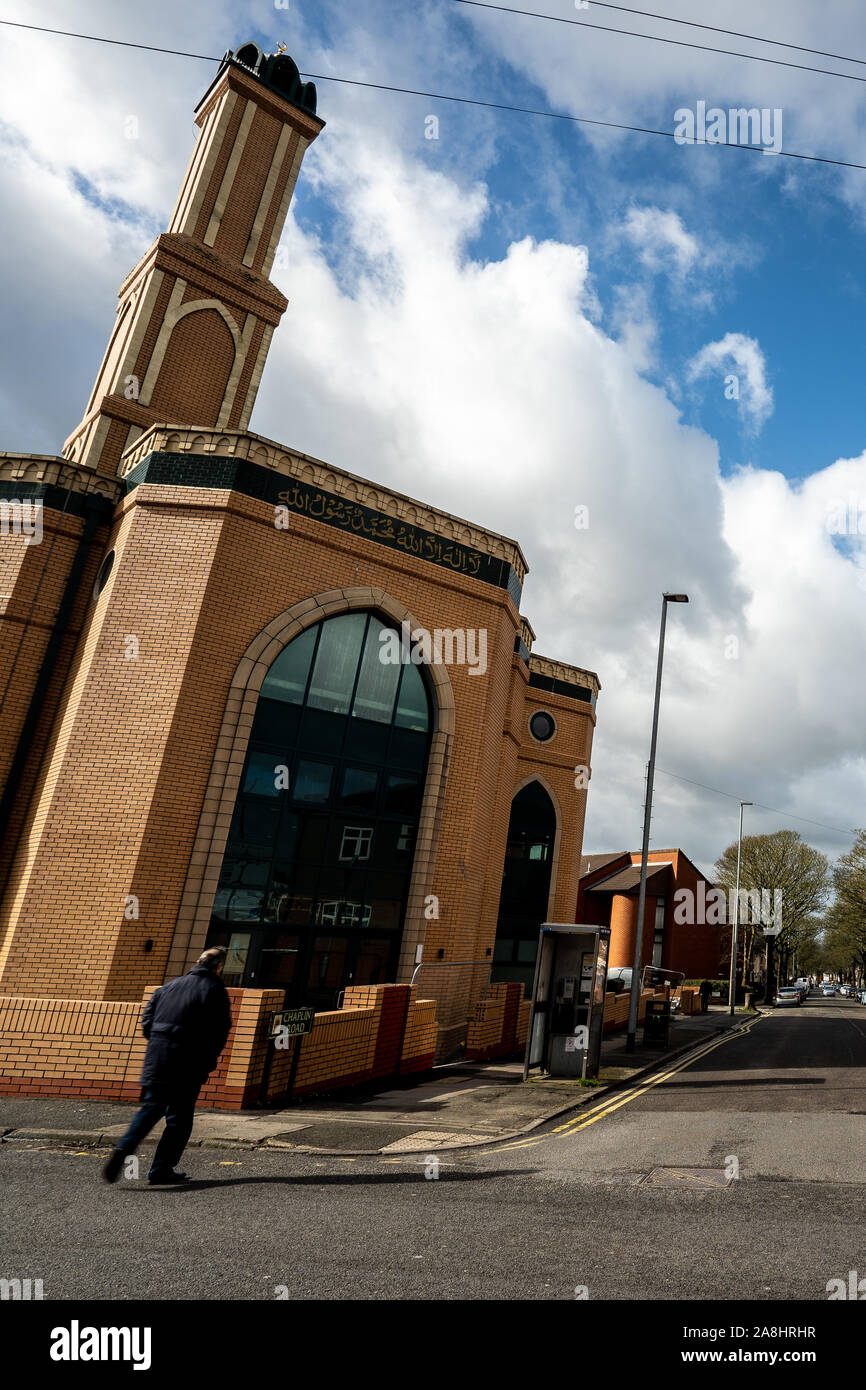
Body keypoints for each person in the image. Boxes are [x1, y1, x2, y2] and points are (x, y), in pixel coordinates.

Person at [102, 947, 232, 1185]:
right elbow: (218, 1033)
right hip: (188, 1063)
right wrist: (208, 1063)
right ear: (219, 967)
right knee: (179, 1120)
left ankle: (124, 1148)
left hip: (158, 1058)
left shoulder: (168, 987)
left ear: (197, 962)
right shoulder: (214, 990)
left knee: (152, 1108)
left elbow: (147, 1024)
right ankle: (161, 1168)